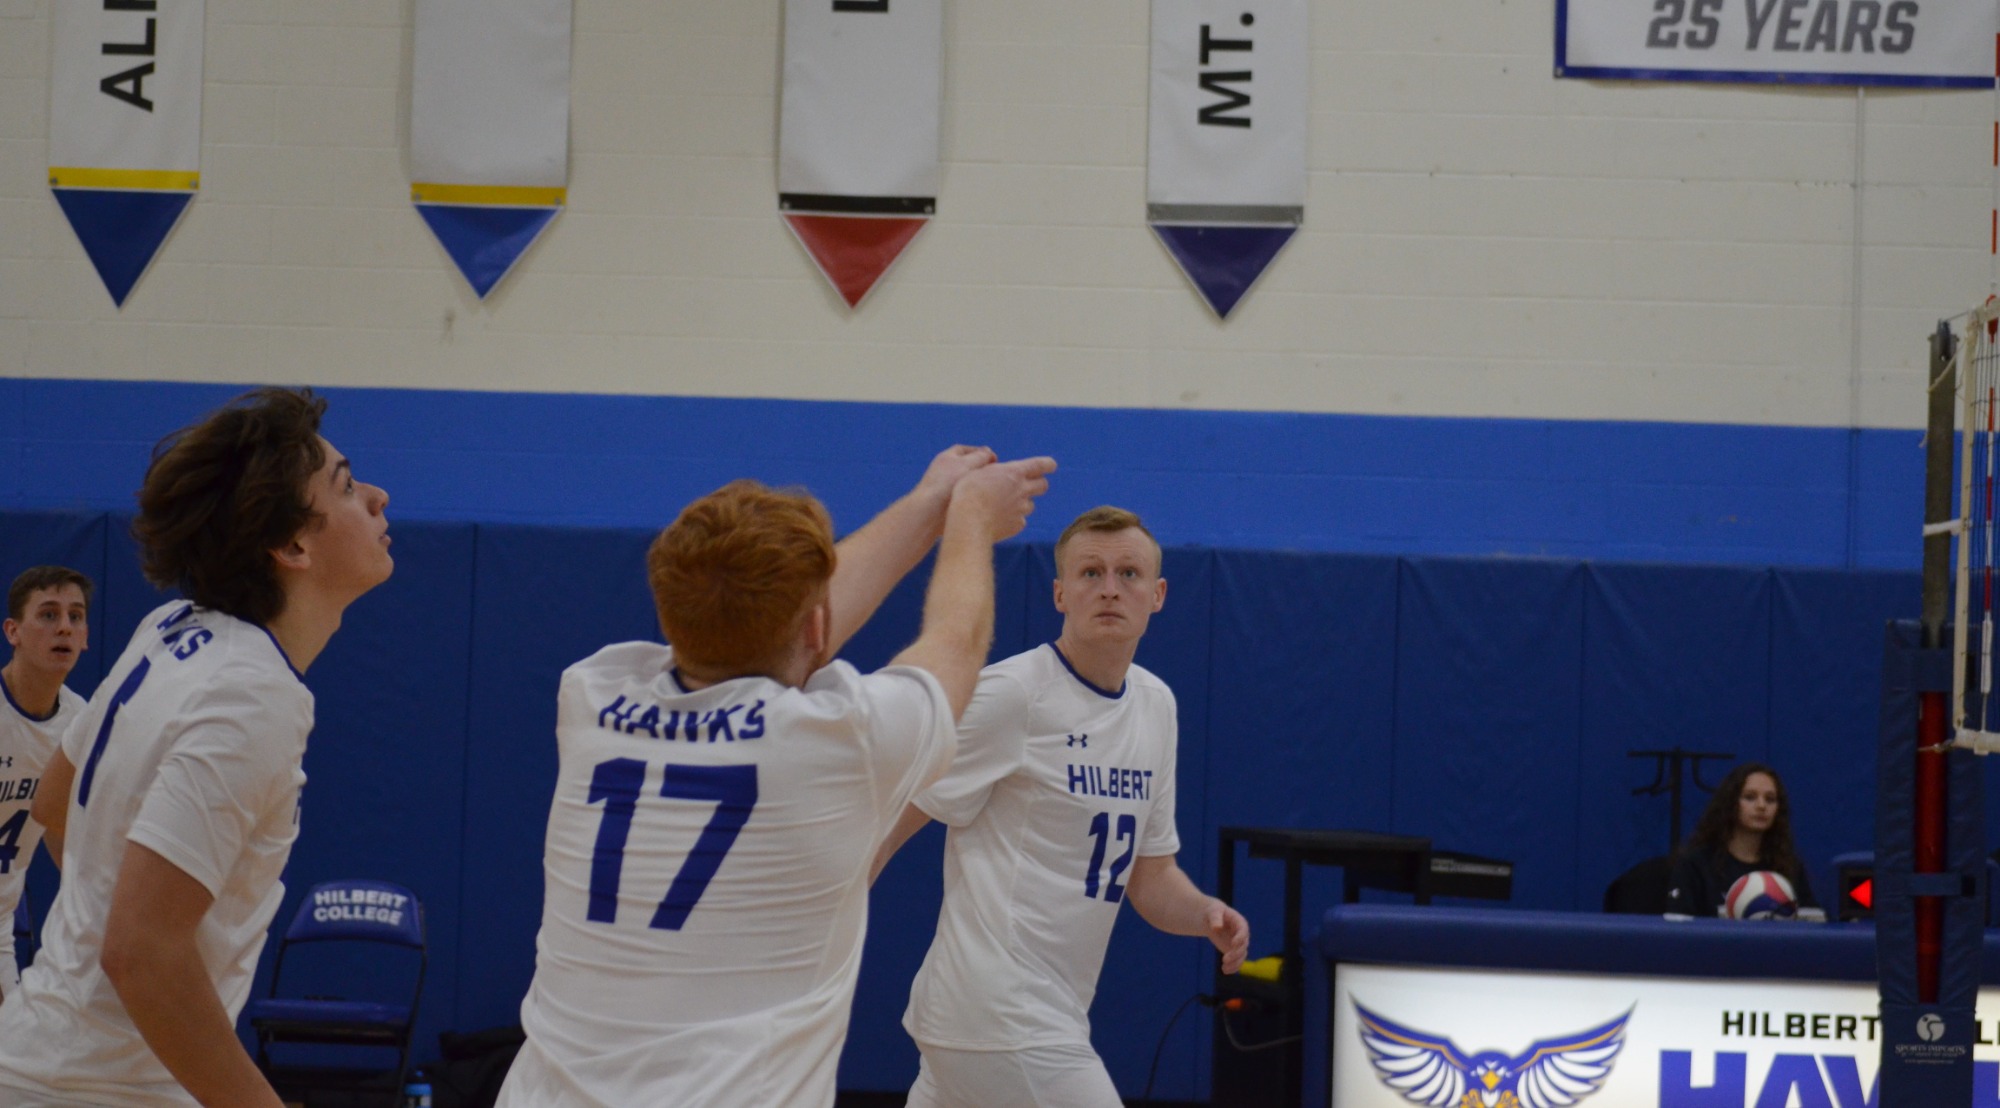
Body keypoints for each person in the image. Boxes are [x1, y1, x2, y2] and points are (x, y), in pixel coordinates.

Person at [494, 446, 1057, 1108]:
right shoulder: (840, 743)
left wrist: (927, 503)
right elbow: (956, 644)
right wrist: (969, 520)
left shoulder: (593, 695)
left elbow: (785, 631)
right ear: (817, 623)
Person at [0, 388, 393, 1108]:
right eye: (345, 485)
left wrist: (100, 927)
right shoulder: (252, 694)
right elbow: (141, 954)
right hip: (99, 1091)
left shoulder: (174, 626)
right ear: (293, 546)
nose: (376, 496)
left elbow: (55, 799)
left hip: (42, 1057)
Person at [873, 505, 1250, 1108]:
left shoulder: (1156, 706)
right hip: (1001, 1014)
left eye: (1128, 574)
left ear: (1157, 595)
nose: (1108, 588)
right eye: (1090, 572)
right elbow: (895, 811)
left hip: (1018, 1018)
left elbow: (1151, 878)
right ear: (1059, 593)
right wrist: (826, 914)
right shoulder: (1015, 693)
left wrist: (1205, 912)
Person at [0, 566, 93, 999]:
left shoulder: (81, 723)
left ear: (86, 638)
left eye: (75, 616)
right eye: (49, 614)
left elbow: (60, 828)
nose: (64, 627)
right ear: (13, 631)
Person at [1666, 762, 1817, 918]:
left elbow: (1811, 920)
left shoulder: (1789, 867)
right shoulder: (1696, 865)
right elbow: (1680, 926)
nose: (1761, 806)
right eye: (1750, 797)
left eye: (1770, 799)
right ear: (1731, 803)